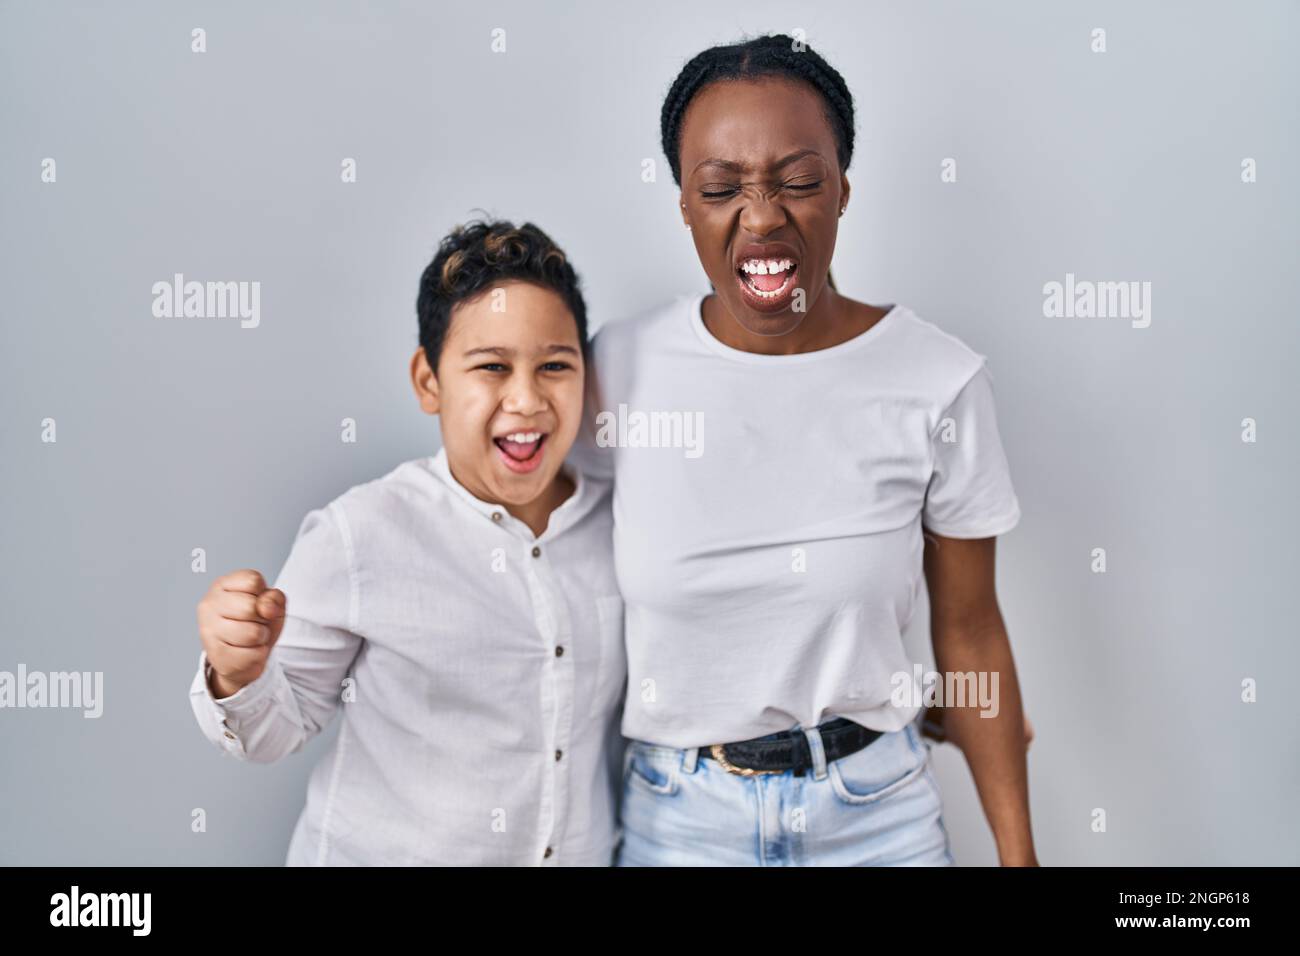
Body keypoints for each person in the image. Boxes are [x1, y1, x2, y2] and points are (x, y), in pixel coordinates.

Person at [572, 34, 1037, 866]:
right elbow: (530, 541)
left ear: (844, 189)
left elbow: (970, 631)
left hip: (876, 817)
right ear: (685, 202)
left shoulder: (939, 382)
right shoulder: (620, 368)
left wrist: (1019, 855)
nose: (762, 217)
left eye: (799, 182)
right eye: (721, 188)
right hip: (679, 823)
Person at [188, 219, 627, 865]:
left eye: (555, 366)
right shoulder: (363, 532)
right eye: (492, 367)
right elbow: (271, 732)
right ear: (429, 382)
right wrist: (237, 672)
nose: (527, 399)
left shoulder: (619, 524)